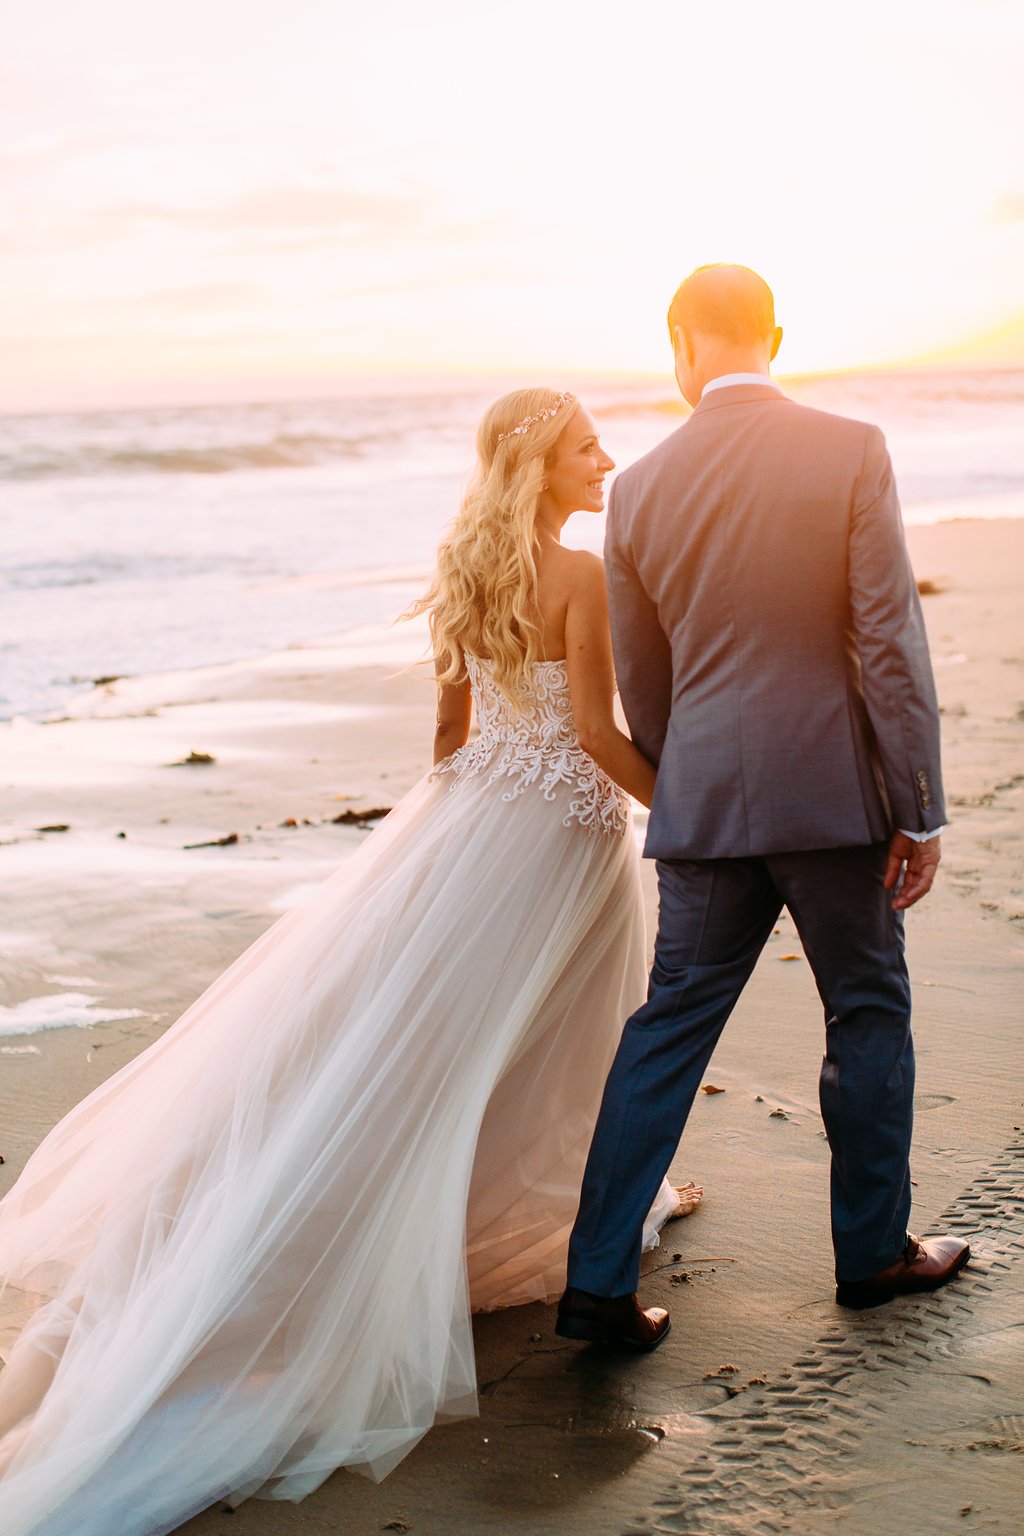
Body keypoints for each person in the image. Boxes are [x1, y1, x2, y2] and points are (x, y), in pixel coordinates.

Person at [0, 387, 699, 1535]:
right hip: (559, 838)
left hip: (469, 820)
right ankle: (544, 1223)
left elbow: (447, 736)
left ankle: (514, 1214)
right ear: (539, 466)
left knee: (422, 1042)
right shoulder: (581, 579)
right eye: (586, 447)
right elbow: (591, 735)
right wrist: (684, 817)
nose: (606, 459)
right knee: (551, 1037)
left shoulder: (463, 566)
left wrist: (438, 835)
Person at [557, 264, 970, 1353]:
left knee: (665, 1033)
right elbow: (888, 641)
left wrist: (689, 779)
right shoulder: (848, 448)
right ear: (774, 335)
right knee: (867, 1015)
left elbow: (644, 684)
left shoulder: (637, 488)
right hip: (835, 800)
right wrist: (916, 807)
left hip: (703, 808)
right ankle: (872, 1254)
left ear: (679, 343)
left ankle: (595, 1283)